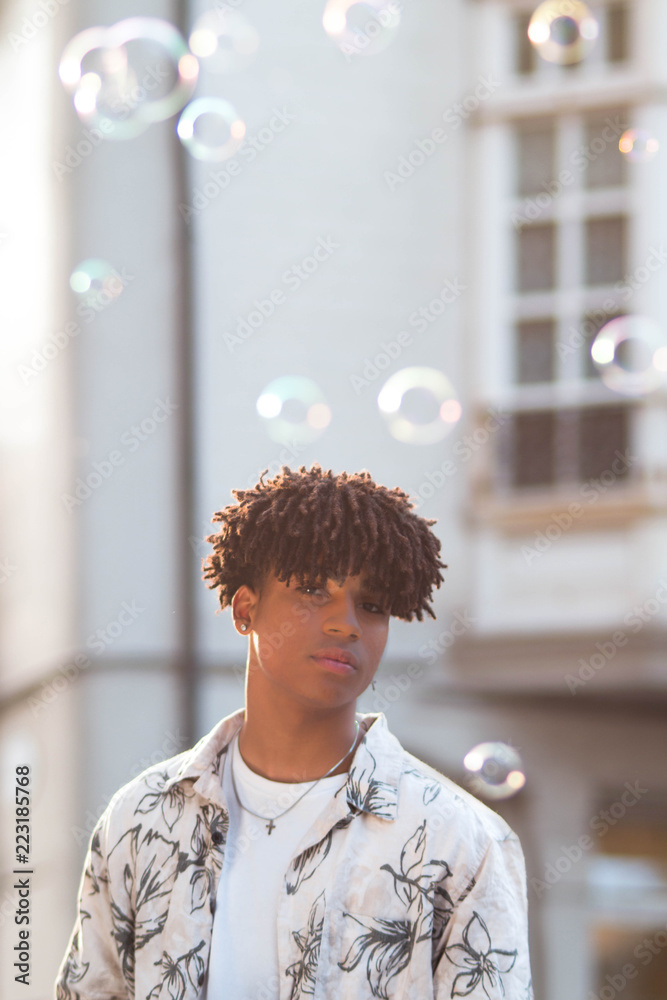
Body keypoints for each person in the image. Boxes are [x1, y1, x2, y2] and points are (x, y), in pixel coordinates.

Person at [56, 463, 534, 1000]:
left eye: (372, 605)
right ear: (245, 608)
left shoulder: (461, 839)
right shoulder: (140, 817)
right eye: (312, 589)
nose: (345, 623)